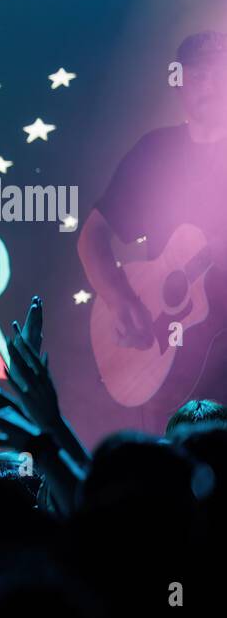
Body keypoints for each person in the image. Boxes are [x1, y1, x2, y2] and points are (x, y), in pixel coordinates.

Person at [78, 30, 227, 427]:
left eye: (217, 72)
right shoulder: (155, 151)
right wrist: (120, 300)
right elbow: (91, 236)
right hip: (164, 365)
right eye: (196, 75)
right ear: (179, 84)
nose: (208, 84)